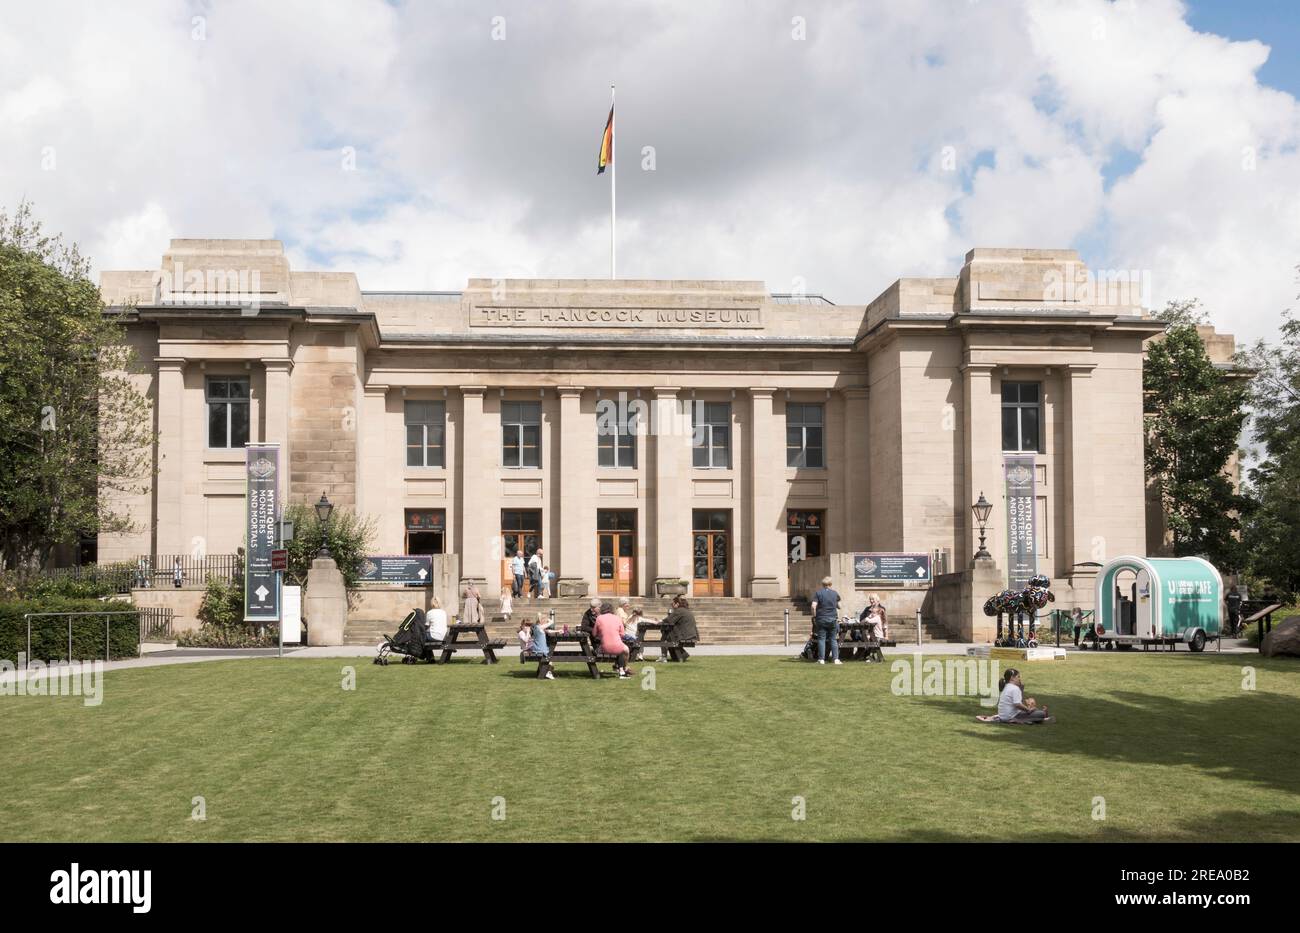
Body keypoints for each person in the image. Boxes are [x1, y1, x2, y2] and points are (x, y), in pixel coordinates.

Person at [593, 601, 633, 678]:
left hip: (604, 648)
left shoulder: (599, 618)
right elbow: (622, 634)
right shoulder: (617, 618)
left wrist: (601, 634)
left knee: (618, 649)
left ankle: (620, 668)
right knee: (625, 650)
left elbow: (594, 633)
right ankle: (624, 668)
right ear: (612, 610)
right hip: (618, 646)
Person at [810, 575, 843, 665]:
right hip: (832, 618)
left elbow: (813, 606)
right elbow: (839, 606)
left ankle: (821, 659)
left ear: (822, 584)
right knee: (833, 639)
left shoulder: (818, 593)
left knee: (821, 639)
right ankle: (835, 659)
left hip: (821, 618)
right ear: (831, 584)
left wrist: (814, 616)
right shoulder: (835, 593)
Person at [660, 595, 699, 662]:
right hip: (691, 635)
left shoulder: (679, 611)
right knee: (668, 636)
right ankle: (681, 655)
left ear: (677, 604)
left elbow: (668, 620)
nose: (672, 606)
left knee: (665, 637)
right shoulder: (686, 610)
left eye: (672, 604)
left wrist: (659, 621)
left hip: (685, 636)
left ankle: (664, 657)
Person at [525, 612, 555, 680]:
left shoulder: (536, 626)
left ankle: (543, 673)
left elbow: (548, 631)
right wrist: (548, 619)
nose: (546, 622)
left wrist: (558, 631)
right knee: (550, 658)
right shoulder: (541, 627)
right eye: (545, 621)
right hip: (541, 649)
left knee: (543, 660)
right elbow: (552, 622)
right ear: (542, 621)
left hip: (536, 648)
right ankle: (548, 673)